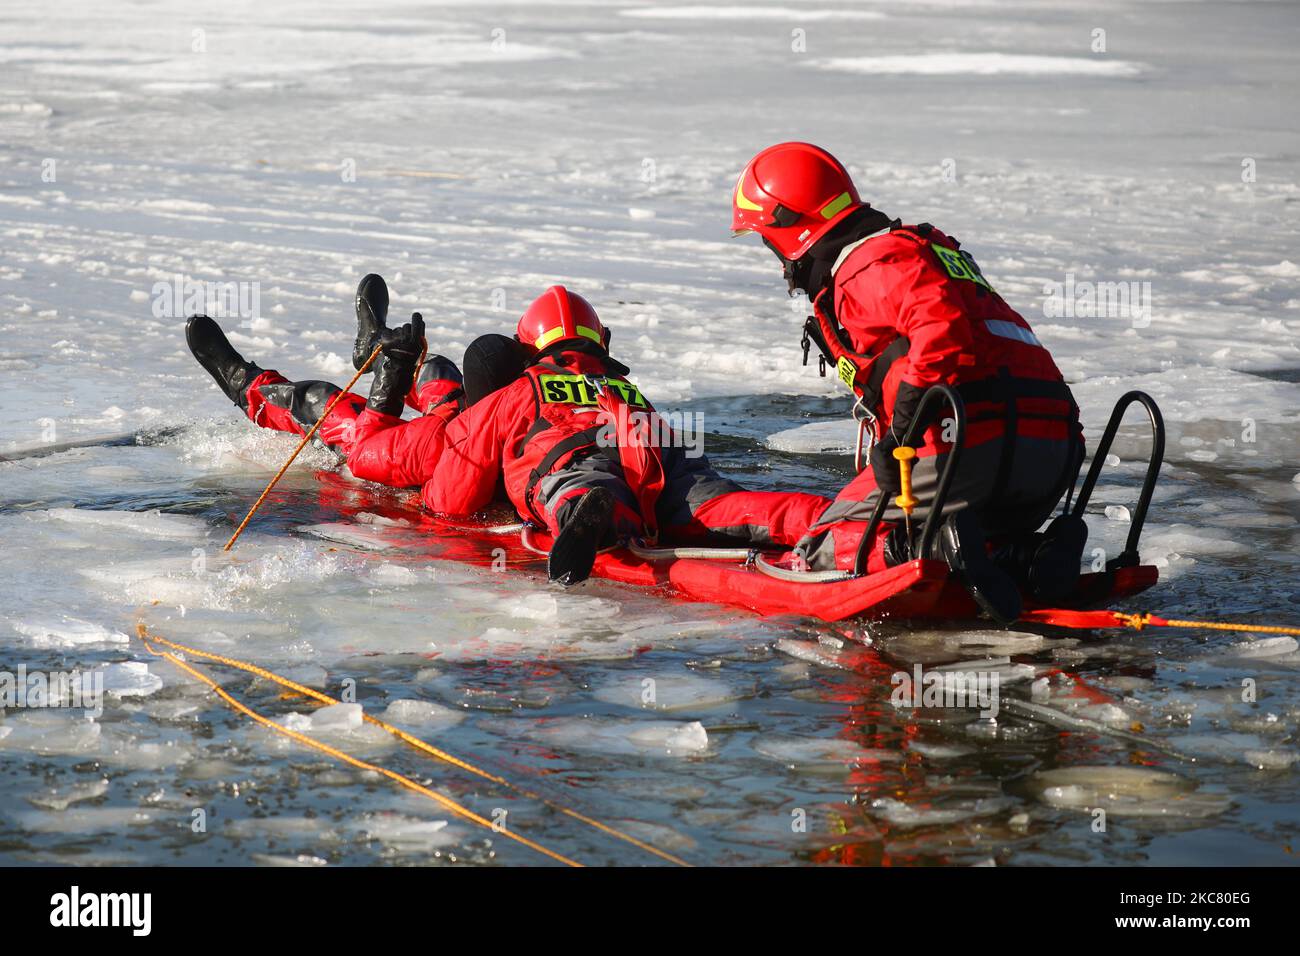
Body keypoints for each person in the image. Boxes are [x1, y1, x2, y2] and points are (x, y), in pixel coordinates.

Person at [187, 279, 828, 585]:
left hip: (507, 442)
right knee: (727, 503)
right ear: (598, 344)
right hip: (628, 454)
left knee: (343, 420)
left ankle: (293, 377)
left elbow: (444, 500)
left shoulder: (507, 397)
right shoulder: (627, 389)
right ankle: (852, 520)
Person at [731, 141, 1089, 622]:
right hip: (1052, 452)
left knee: (821, 550)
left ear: (788, 228)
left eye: (766, 239)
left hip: (967, 447)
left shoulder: (868, 265)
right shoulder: (929, 252)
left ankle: (933, 547)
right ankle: (1021, 558)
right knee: (982, 530)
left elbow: (941, 326)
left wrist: (903, 425)